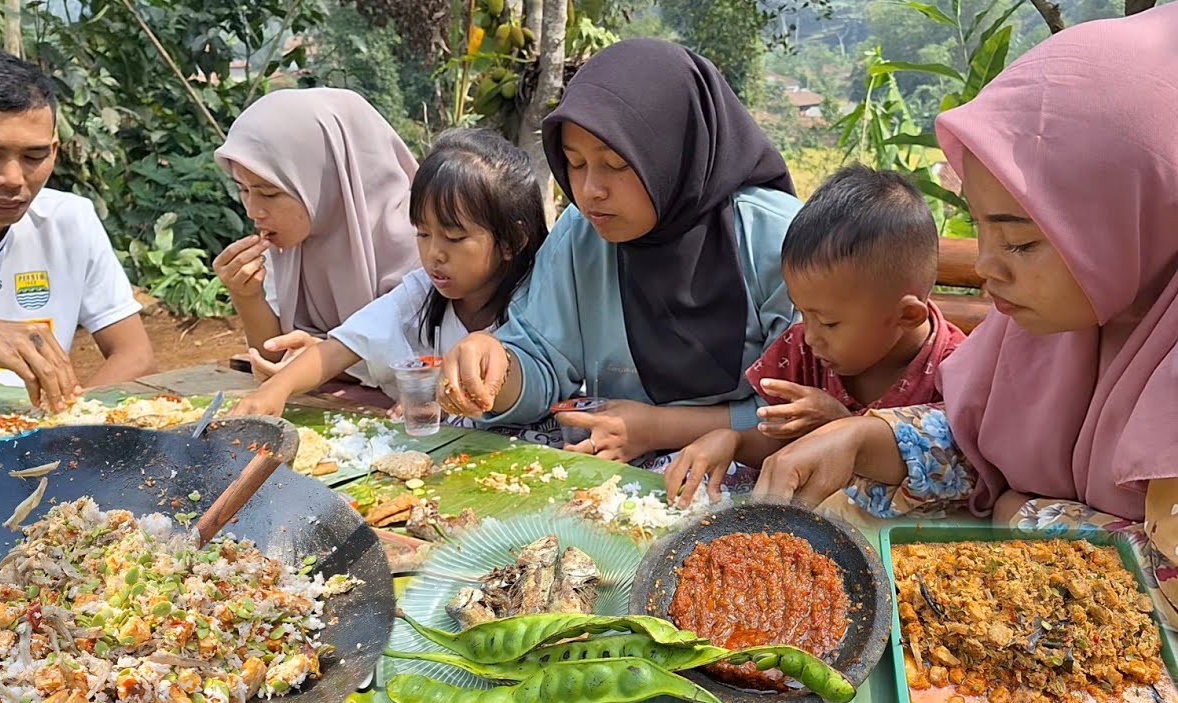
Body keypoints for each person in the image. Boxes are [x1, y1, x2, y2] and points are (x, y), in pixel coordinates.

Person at [752, 6, 1178, 622]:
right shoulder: (1049, 329)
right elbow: (975, 438)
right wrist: (862, 437)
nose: (985, 266)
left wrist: (1020, 511)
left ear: (1136, 219)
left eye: (1022, 243)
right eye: (980, 230)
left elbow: (1161, 590)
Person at [438, 39, 800, 464]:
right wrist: (495, 367)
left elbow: (799, 412)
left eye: (616, 165)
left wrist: (655, 428)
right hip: (617, 465)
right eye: (575, 163)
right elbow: (541, 357)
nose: (591, 191)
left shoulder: (774, 237)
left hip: (744, 463)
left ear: (672, 152)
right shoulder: (582, 235)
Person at [666, 166, 966, 505]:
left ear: (906, 316)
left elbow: (958, 481)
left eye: (828, 323)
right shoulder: (802, 350)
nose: (809, 336)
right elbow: (780, 442)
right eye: (802, 312)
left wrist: (842, 425)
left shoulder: (958, 375)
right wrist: (733, 441)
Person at [0, 50, 154, 410]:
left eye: (34, 157)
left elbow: (135, 354)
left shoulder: (71, 221)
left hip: (32, 436)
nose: (13, 180)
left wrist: (71, 423)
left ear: (54, 151)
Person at [229, 129, 546, 417]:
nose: (434, 253)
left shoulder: (541, 302)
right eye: (422, 234)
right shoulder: (420, 292)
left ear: (511, 242)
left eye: (454, 238)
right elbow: (339, 347)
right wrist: (275, 391)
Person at [212, 88, 420, 380]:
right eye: (243, 189)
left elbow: (428, 365)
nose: (253, 211)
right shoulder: (294, 243)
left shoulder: (423, 241)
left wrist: (325, 358)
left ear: (326, 180)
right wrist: (247, 297)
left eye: (269, 193)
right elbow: (274, 358)